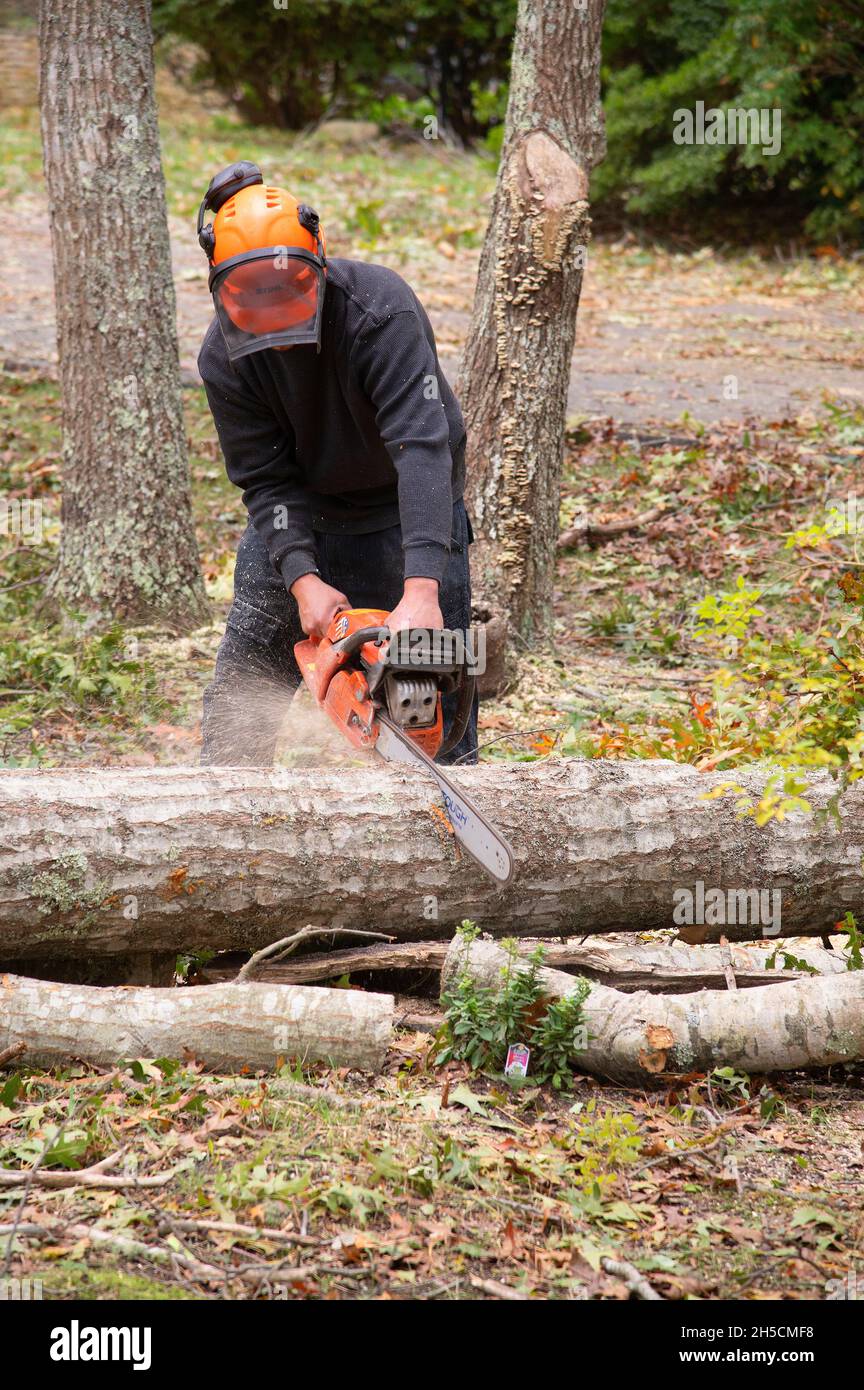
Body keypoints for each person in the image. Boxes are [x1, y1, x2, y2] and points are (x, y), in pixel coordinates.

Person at [195, 162, 477, 766]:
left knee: (434, 729)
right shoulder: (224, 357)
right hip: (308, 517)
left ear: (317, 261)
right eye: (255, 303)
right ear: (223, 289)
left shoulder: (380, 312)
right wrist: (303, 578)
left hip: (410, 515)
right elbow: (265, 478)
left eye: (290, 292)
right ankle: (220, 831)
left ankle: (441, 839)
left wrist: (422, 587)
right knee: (236, 716)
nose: (277, 318)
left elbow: (422, 446)